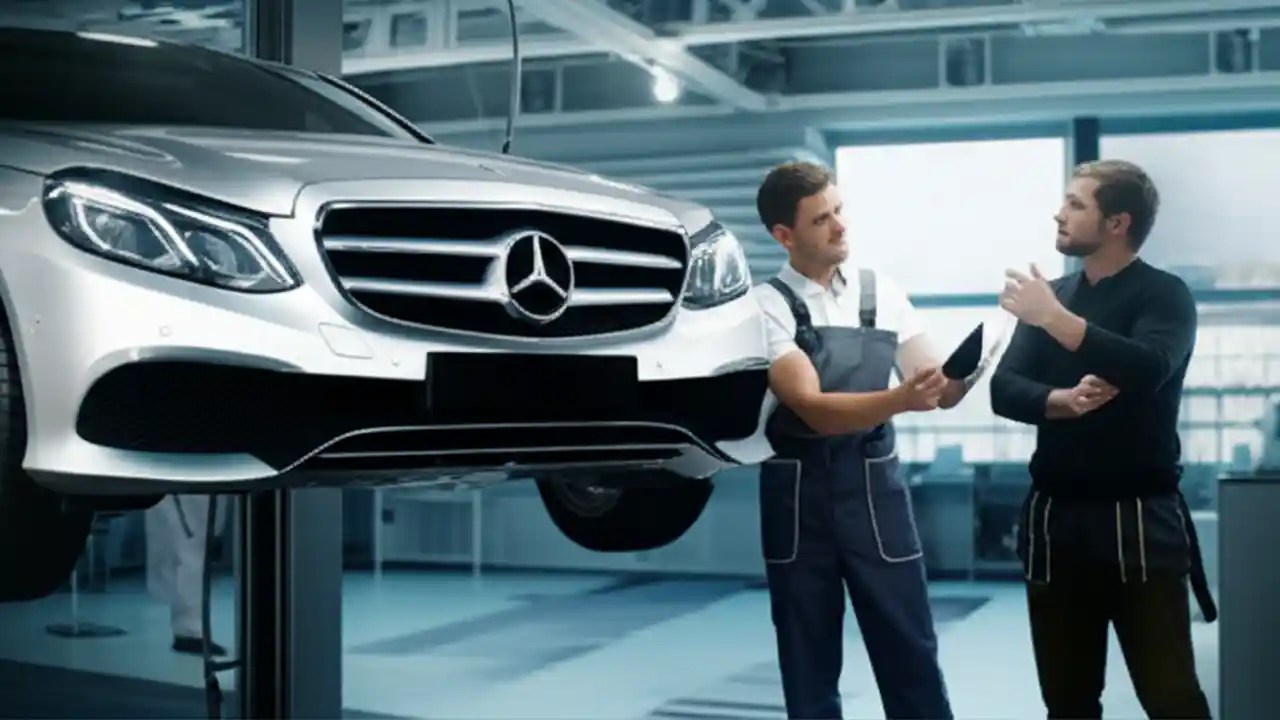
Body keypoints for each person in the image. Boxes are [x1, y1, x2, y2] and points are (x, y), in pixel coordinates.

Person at [754, 161, 983, 720]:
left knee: (910, 650)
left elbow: (937, 388)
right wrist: (901, 399)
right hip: (800, 495)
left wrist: (971, 367)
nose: (839, 226)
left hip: (874, 490)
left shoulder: (884, 294)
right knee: (808, 661)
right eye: (820, 219)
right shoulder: (765, 305)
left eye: (839, 210)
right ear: (784, 236)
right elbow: (811, 408)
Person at [991, 158, 1215, 719]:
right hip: (1055, 520)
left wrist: (1055, 320)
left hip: (1139, 518)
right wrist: (1057, 403)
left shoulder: (1165, 295)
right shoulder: (1054, 294)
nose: (1058, 213)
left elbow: (1146, 367)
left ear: (1117, 222)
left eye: (1075, 204)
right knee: (1067, 701)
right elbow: (1004, 389)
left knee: (1171, 698)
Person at [145, 494, 228, 656]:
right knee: (189, 553)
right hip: (184, 487)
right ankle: (188, 631)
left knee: (194, 552)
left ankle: (189, 629)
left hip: (202, 486)